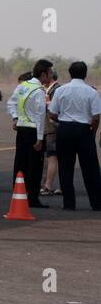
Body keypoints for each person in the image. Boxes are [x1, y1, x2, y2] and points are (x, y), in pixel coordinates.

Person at [47, 61, 101, 211]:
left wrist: (63, 122)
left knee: (65, 168)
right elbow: (96, 117)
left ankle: (69, 203)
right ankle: (96, 203)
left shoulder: (61, 90)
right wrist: (92, 132)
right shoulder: (91, 92)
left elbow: (52, 113)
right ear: (85, 74)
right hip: (84, 130)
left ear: (70, 73)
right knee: (90, 169)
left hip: (65, 129)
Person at [12, 59, 53, 209]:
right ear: (43, 74)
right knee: (35, 165)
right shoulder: (39, 90)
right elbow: (40, 115)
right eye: (50, 72)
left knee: (20, 162)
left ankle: (18, 192)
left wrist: (15, 117)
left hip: (22, 128)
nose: (51, 75)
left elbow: (12, 102)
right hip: (33, 130)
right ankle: (33, 198)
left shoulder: (23, 86)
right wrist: (40, 138)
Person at [41, 69, 62, 195]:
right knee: (51, 158)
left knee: (52, 157)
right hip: (48, 128)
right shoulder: (49, 89)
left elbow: (56, 110)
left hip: (53, 128)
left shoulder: (56, 90)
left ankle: (47, 185)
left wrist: (47, 103)